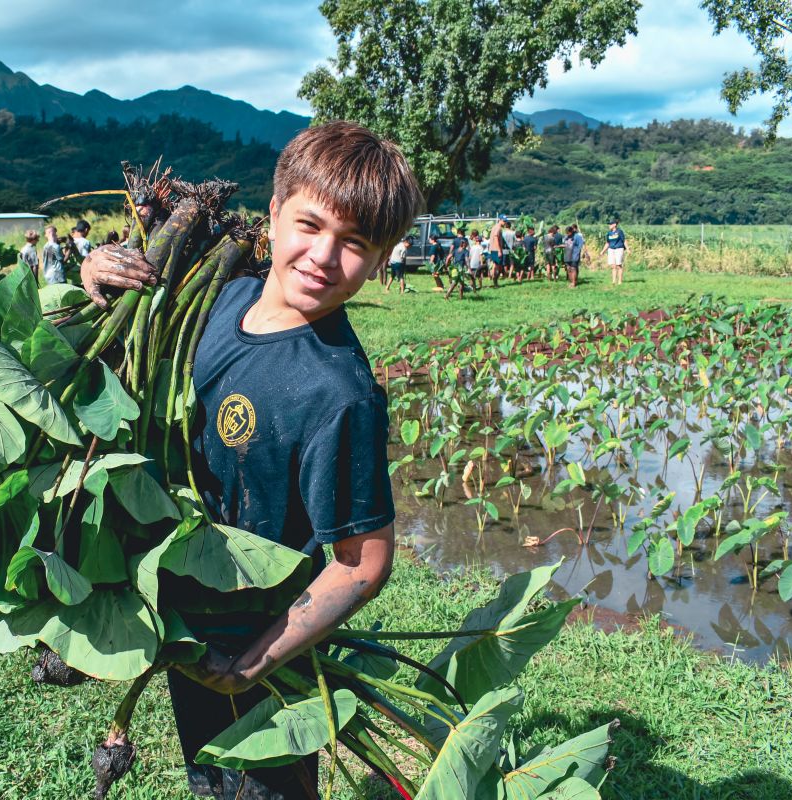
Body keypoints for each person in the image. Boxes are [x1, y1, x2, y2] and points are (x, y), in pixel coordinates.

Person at [81, 121, 416, 799]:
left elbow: (364, 562)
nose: (324, 255)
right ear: (273, 214)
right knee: (209, 782)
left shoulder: (338, 393)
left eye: (356, 244)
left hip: (252, 641)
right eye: (311, 225)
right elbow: (131, 336)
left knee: (261, 789)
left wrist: (250, 666)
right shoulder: (222, 292)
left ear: (382, 260)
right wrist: (96, 272)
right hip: (180, 619)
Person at [601, 219, 629, 286]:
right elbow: (607, 243)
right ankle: (613, 281)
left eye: (610, 224)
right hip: (611, 249)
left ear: (615, 225)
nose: (609, 225)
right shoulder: (609, 233)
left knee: (618, 265)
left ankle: (619, 281)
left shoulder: (619, 232)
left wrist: (627, 249)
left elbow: (624, 240)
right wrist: (602, 251)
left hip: (619, 249)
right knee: (613, 266)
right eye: (609, 224)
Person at [445, 234, 469, 299]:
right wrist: (469, 268)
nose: (467, 245)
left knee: (461, 283)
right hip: (460, 269)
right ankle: (446, 295)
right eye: (467, 243)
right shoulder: (465, 251)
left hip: (454, 268)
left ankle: (461, 297)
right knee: (454, 283)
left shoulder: (455, 250)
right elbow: (467, 260)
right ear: (464, 244)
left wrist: (446, 265)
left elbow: (448, 257)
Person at [487, 216, 506, 288]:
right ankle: (495, 283)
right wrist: (499, 250)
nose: (505, 223)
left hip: (493, 249)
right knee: (497, 267)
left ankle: (494, 282)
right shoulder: (498, 228)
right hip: (496, 250)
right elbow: (495, 238)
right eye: (504, 221)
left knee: (495, 266)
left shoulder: (494, 227)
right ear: (500, 220)